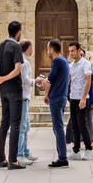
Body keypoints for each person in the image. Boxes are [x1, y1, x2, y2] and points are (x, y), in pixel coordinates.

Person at [0, 21, 26, 169]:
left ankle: (0, 159)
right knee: (15, 124)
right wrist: (3, 78)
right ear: (18, 32)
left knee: (4, 123)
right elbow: (17, 70)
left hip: (3, 90)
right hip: (14, 89)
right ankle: (13, 161)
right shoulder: (15, 46)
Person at [36, 38, 69, 167]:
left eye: (48, 48)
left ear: (51, 49)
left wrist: (44, 90)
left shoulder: (57, 61)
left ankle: (62, 158)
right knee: (58, 127)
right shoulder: (64, 60)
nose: (47, 51)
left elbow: (49, 82)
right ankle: (62, 155)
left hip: (56, 98)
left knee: (58, 128)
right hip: (62, 96)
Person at [66, 43, 93, 159]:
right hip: (73, 98)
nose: (71, 53)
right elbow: (68, 81)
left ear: (79, 51)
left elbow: (88, 81)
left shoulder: (86, 64)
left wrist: (83, 98)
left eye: (73, 51)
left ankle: (88, 150)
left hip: (83, 99)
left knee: (82, 125)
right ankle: (76, 151)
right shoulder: (71, 65)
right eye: (70, 51)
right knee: (74, 126)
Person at [17, 40, 37, 164]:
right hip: (23, 97)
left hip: (26, 97)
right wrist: (36, 81)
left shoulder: (24, 60)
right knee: (23, 127)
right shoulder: (24, 62)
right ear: (29, 48)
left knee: (26, 126)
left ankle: (25, 151)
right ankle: (20, 154)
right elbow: (25, 80)